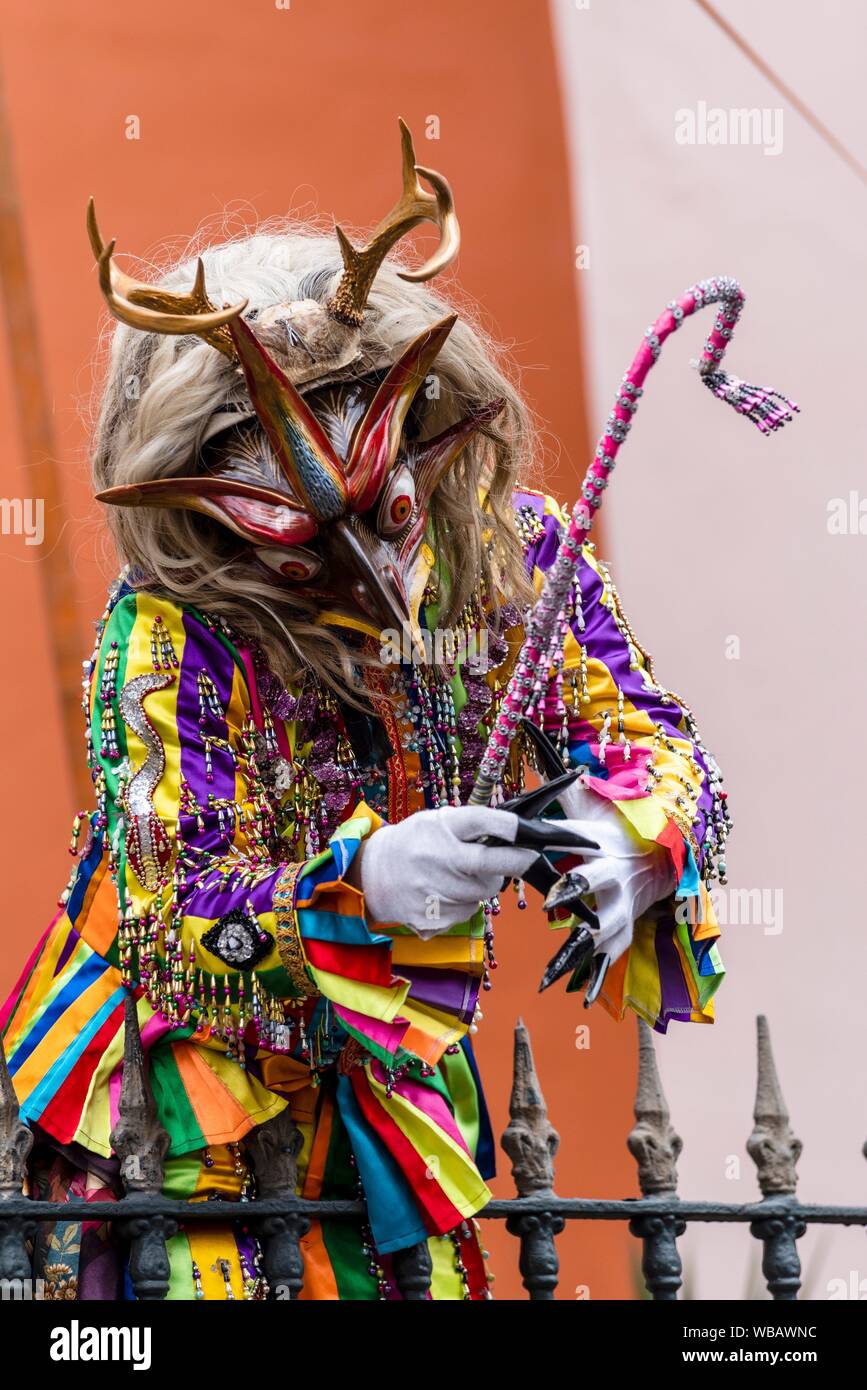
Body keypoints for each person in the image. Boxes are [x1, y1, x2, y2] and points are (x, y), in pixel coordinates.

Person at [1, 123, 732, 1301]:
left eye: (385, 514)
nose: (371, 571)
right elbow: (171, 920)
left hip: (388, 1083)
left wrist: (621, 840)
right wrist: (366, 886)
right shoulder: (167, 633)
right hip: (176, 1122)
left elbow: (660, 747)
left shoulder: (506, 558)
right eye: (303, 540)